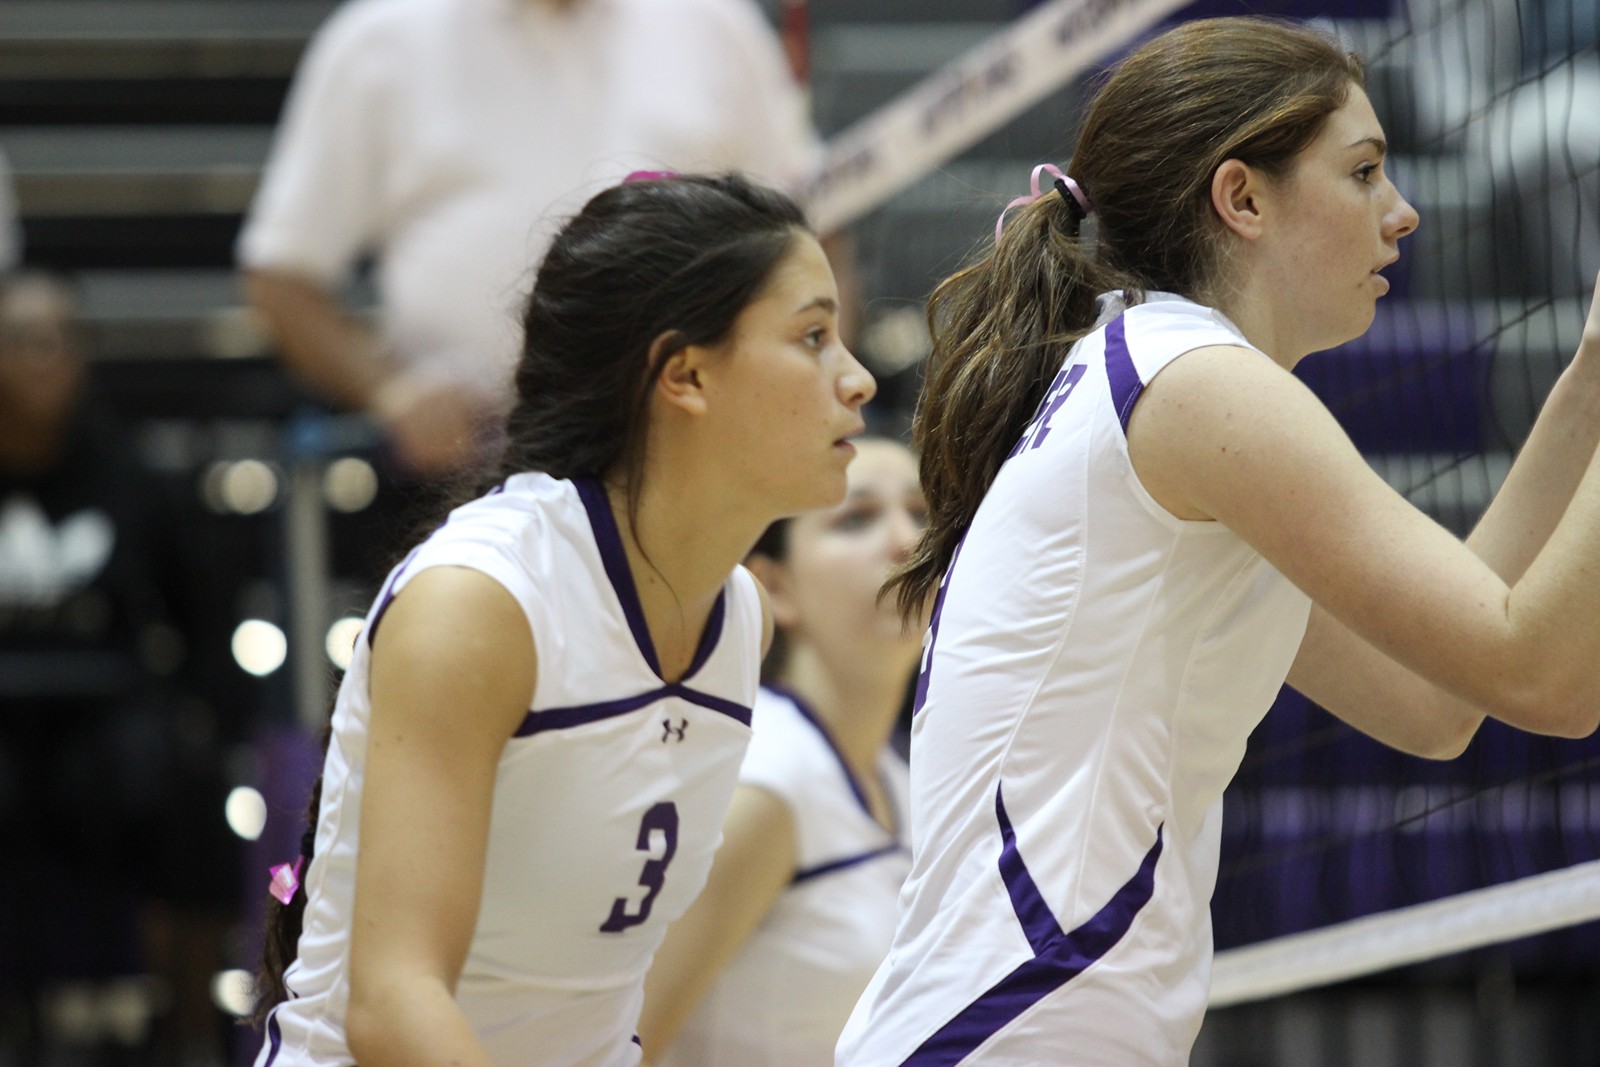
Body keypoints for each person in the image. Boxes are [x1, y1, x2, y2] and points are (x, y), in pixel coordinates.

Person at [834, 17, 1600, 1066]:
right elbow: (1545, 674)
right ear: (1241, 197)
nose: (1402, 212)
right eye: (1365, 171)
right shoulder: (1194, 384)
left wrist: (1588, 378)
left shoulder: (1145, 375)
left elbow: (1438, 704)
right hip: (1015, 1029)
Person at [248, 172, 875, 1067]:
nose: (857, 377)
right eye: (813, 336)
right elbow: (393, 1006)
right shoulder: (482, 600)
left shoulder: (741, 616)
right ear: (685, 375)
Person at [238, 0, 830, 478]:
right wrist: (391, 392)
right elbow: (282, 276)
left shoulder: (715, 22)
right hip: (474, 463)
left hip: (706, 445)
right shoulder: (379, 37)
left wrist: (810, 384)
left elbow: (813, 226)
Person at [0, 272, 240, 1064]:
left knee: (181, 778)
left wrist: (206, 716)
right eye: (24, 341)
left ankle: (191, 1029)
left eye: (62, 341)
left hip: (104, 715)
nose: (46, 359)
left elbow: (202, 613)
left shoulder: (127, 473)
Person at [636, 437, 926, 1067]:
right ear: (775, 587)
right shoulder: (766, 783)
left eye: (921, 512)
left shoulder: (898, 777)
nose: (907, 541)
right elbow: (622, 1045)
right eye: (857, 519)